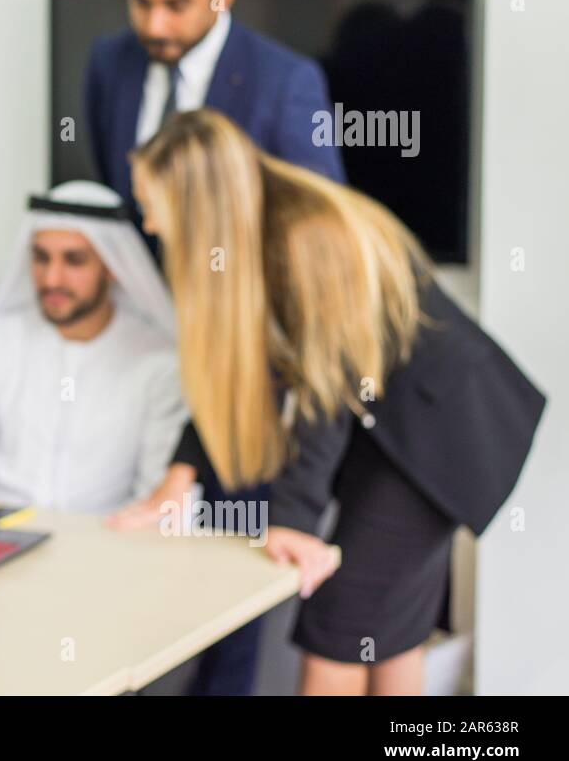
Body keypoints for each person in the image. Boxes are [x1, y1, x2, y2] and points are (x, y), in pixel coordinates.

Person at [112, 108, 546, 695]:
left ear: (195, 201)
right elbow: (245, 375)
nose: (150, 224)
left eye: (152, 206)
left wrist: (294, 523)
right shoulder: (251, 233)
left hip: (444, 429)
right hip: (396, 422)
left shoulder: (303, 233)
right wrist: (177, 480)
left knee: (339, 628)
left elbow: (324, 389)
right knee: (388, 631)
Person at [85, 0, 346, 250]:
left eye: (176, 6)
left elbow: (319, 217)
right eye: (141, 2)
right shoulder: (109, 63)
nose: (154, 26)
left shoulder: (286, 82)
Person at [0, 181, 185, 513]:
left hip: (108, 547)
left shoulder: (157, 359)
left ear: (112, 268)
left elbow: (160, 496)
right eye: (42, 258)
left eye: (74, 261)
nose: (51, 279)